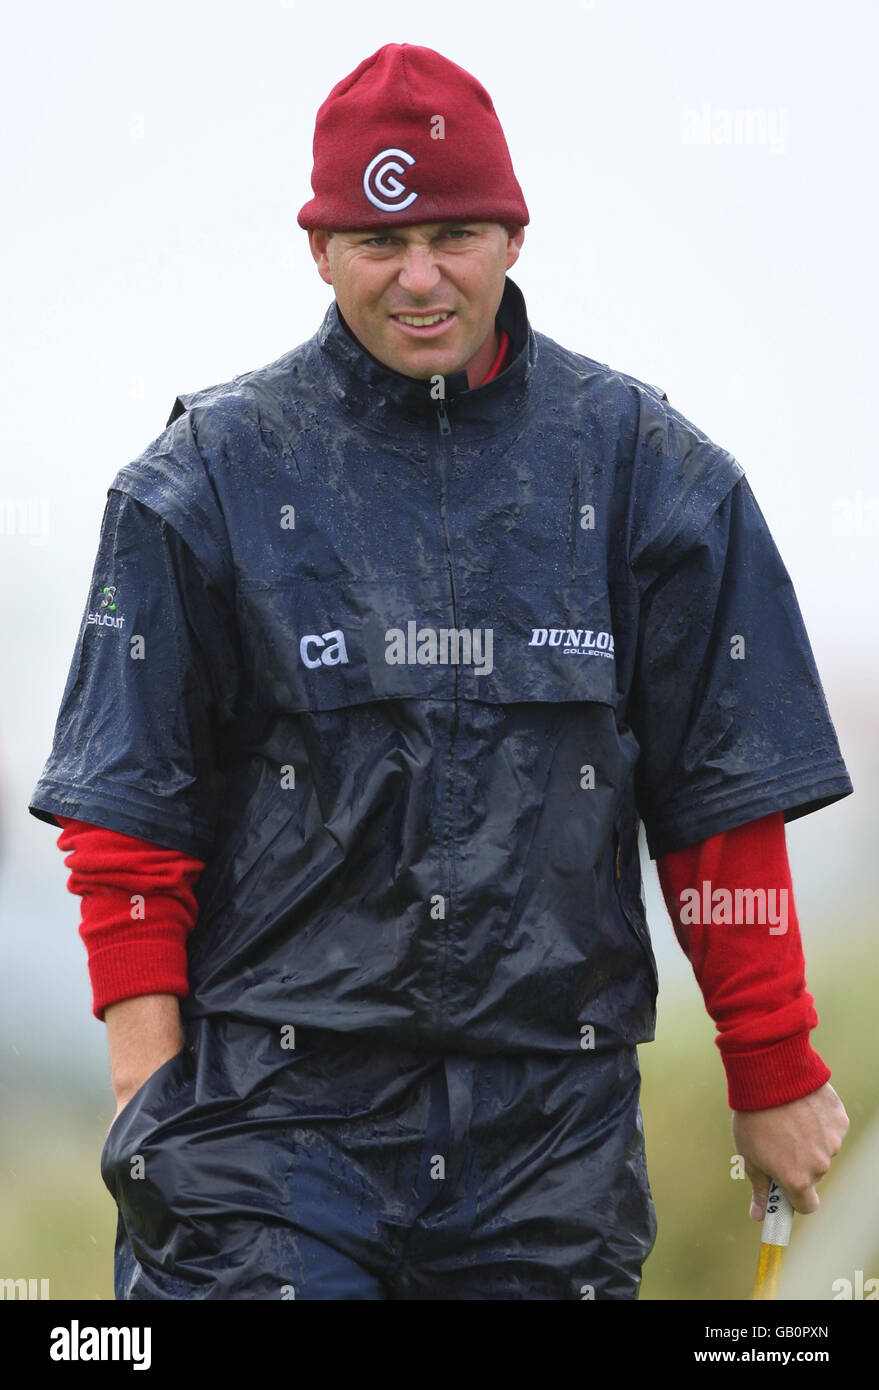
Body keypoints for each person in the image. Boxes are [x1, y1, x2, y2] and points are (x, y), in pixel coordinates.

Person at [29, 42, 852, 1300]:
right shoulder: (199, 486)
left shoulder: (652, 478)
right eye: (377, 240)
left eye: (456, 234)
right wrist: (149, 1100)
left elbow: (723, 812)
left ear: (514, 235)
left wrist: (775, 1063)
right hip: (267, 1131)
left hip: (551, 1145)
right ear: (318, 251)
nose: (421, 277)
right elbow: (127, 823)